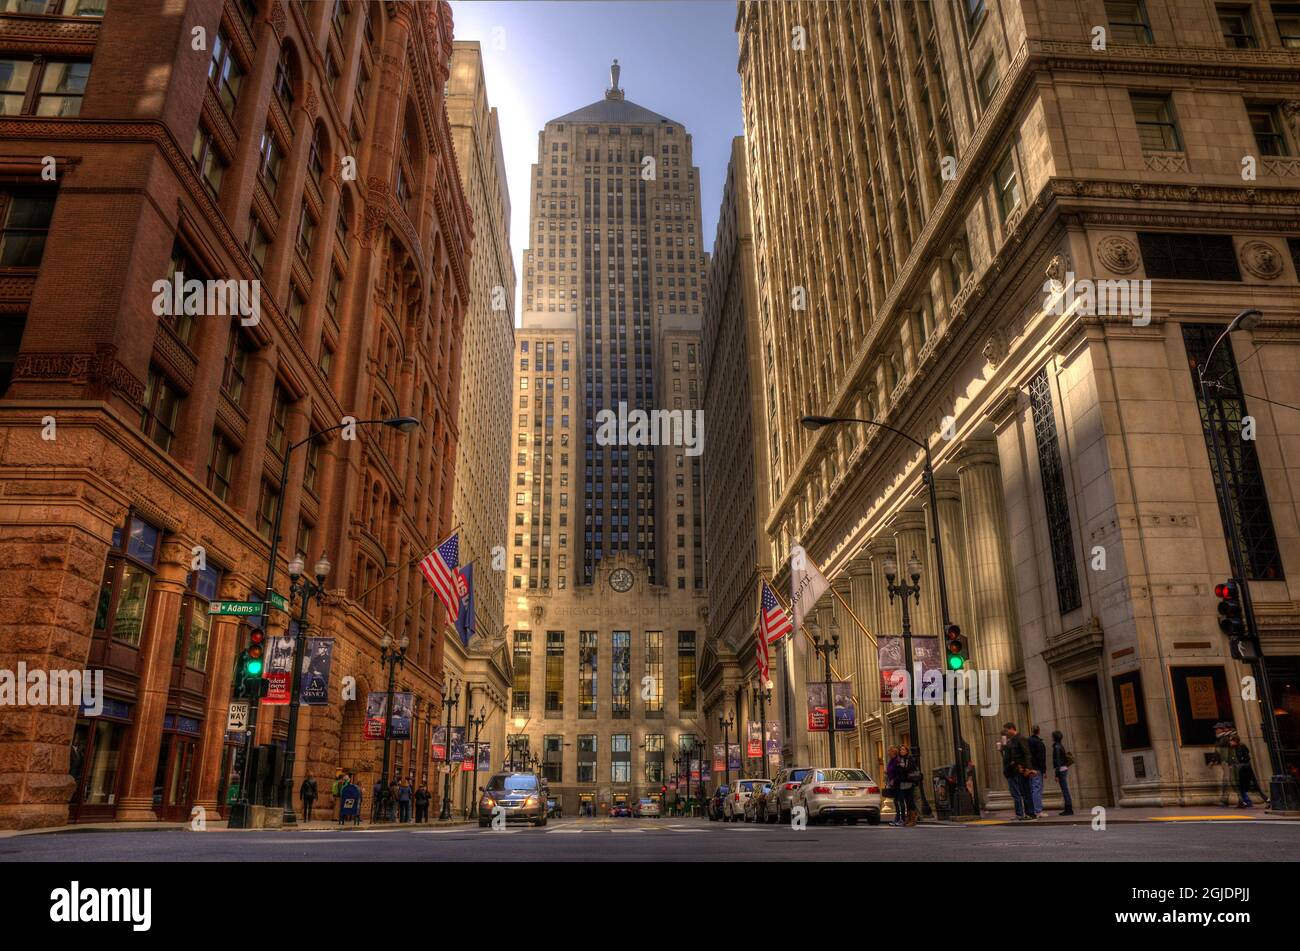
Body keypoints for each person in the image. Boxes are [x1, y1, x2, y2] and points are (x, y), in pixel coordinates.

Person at [1001, 722, 1037, 819]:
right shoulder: (1013, 740)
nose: (1006, 733)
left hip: (1024, 769)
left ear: (1012, 728)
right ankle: (1027, 813)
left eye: (1007, 730)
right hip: (1018, 769)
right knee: (1023, 792)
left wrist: (1028, 768)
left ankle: (1030, 813)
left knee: (1026, 792)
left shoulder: (1021, 738)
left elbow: (1027, 753)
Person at [1230, 736, 1269, 807]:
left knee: (1251, 785)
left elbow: (1246, 757)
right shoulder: (1236, 748)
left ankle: (1265, 799)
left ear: (1235, 741)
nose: (1230, 742)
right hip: (1244, 768)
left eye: (1231, 741)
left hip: (1246, 768)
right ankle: (1245, 801)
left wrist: (1240, 762)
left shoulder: (1241, 747)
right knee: (1243, 786)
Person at [1051, 730, 1074, 815]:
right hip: (1064, 768)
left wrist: (1056, 774)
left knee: (1065, 790)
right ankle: (1068, 808)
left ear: (1054, 737)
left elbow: (1057, 761)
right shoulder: (1060, 746)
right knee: (1065, 789)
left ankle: (1069, 809)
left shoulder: (1056, 747)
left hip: (1061, 770)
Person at [896, 744, 919, 826]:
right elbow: (898, 770)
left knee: (910, 800)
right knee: (907, 801)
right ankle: (908, 818)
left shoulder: (910, 759)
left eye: (903, 750)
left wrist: (903, 769)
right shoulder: (899, 760)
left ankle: (913, 819)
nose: (902, 751)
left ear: (906, 751)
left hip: (909, 782)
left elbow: (911, 768)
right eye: (901, 750)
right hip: (902, 783)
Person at [1027, 725, 1047, 816]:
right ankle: (1038, 810)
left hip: (1029, 768)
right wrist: (1044, 770)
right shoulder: (1039, 742)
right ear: (1038, 731)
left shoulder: (1028, 741)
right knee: (1037, 789)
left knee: (1032, 789)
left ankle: (1033, 809)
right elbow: (1041, 757)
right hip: (1037, 768)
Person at [1213, 723, 1235, 806]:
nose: (1216, 730)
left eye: (1217, 729)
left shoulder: (1225, 738)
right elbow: (1218, 750)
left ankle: (1225, 799)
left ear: (1223, 729)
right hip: (1225, 761)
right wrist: (1214, 760)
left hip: (1228, 761)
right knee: (1227, 780)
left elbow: (1224, 750)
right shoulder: (1221, 738)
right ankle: (1225, 799)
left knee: (1228, 780)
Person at [884, 746, 903, 826]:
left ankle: (901, 819)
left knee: (900, 801)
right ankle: (897, 818)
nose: (888, 753)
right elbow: (890, 771)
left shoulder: (897, 760)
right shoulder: (891, 760)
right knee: (896, 801)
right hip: (893, 784)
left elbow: (899, 772)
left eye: (889, 751)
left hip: (898, 784)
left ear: (893, 752)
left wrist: (894, 779)